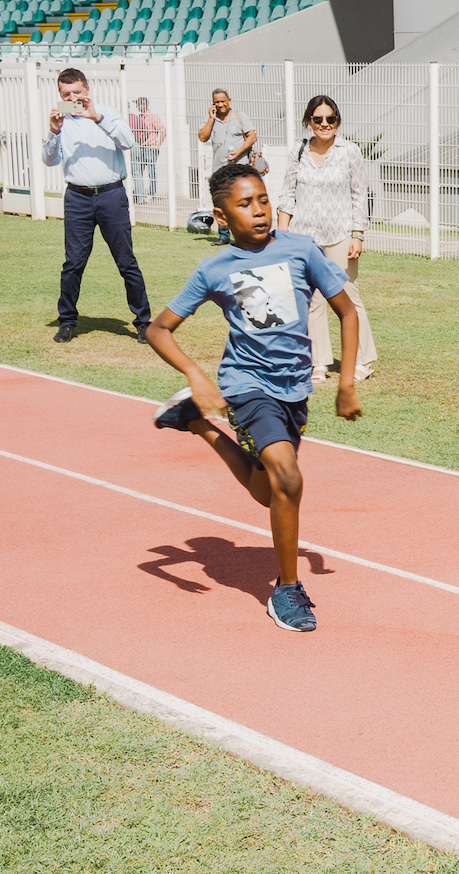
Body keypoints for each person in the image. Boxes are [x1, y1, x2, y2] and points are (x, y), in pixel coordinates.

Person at [144, 163, 364, 632]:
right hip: (246, 385)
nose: (259, 211)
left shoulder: (300, 249)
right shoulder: (214, 269)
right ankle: (286, 590)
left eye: (262, 199)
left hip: (295, 389)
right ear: (222, 217)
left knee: (270, 492)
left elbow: (347, 312)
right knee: (288, 477)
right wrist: (197, 375)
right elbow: (158, 329)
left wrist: (345, 383)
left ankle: (196, 423)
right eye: (245, 204)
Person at [43, 67, 152, 345]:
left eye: (77, 92)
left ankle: (143, 323)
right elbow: (49, 160)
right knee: (73, 263)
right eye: (66, 94)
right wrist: (53, 133)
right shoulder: (61, 121)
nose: (72, 97)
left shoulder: (108, 112)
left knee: (126, 261)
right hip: (77, 198)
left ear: (87, 89)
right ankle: (67, 321)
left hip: (111, 195)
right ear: (60, 94)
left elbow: (128, 142)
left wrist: (98, 118)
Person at [277, 95, 378, 384]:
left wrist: (357, 235)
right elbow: (287, 194)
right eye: (318, 119)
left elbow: (360, 195)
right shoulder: (299, 151)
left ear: (338, 121)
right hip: (304, 237)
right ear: (309, 120)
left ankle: (363, 359)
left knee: (348, 297)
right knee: (312, 301)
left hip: (340, 235)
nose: (324, 124)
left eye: (330, 119)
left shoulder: (349, 152)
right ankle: (318, 363)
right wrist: (283, 236)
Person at [197, 88, 259, 245]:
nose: (220, 105)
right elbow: (202, 137)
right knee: (221, 201)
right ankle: (223, 236)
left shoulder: (239, 116)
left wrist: (238, 152)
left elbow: (252, 137)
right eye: (216, 102)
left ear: (229, 101)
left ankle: (246, 234)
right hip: (219, 169)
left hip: (239, 168)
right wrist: (211, 118)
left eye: (222, 101)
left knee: (242, 200)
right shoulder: (211, 118)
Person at [128, 96, 164, 205]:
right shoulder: (140, 117)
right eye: (137, 105)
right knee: (140, 171)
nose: (137, 107)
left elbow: (162, 130)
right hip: (141, 147)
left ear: (144, 105)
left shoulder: (152, 116)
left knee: (151, 172)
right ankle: (140, 193)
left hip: (150, 148)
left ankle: (151, 194)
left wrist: (157, 144)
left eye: (139, 105)